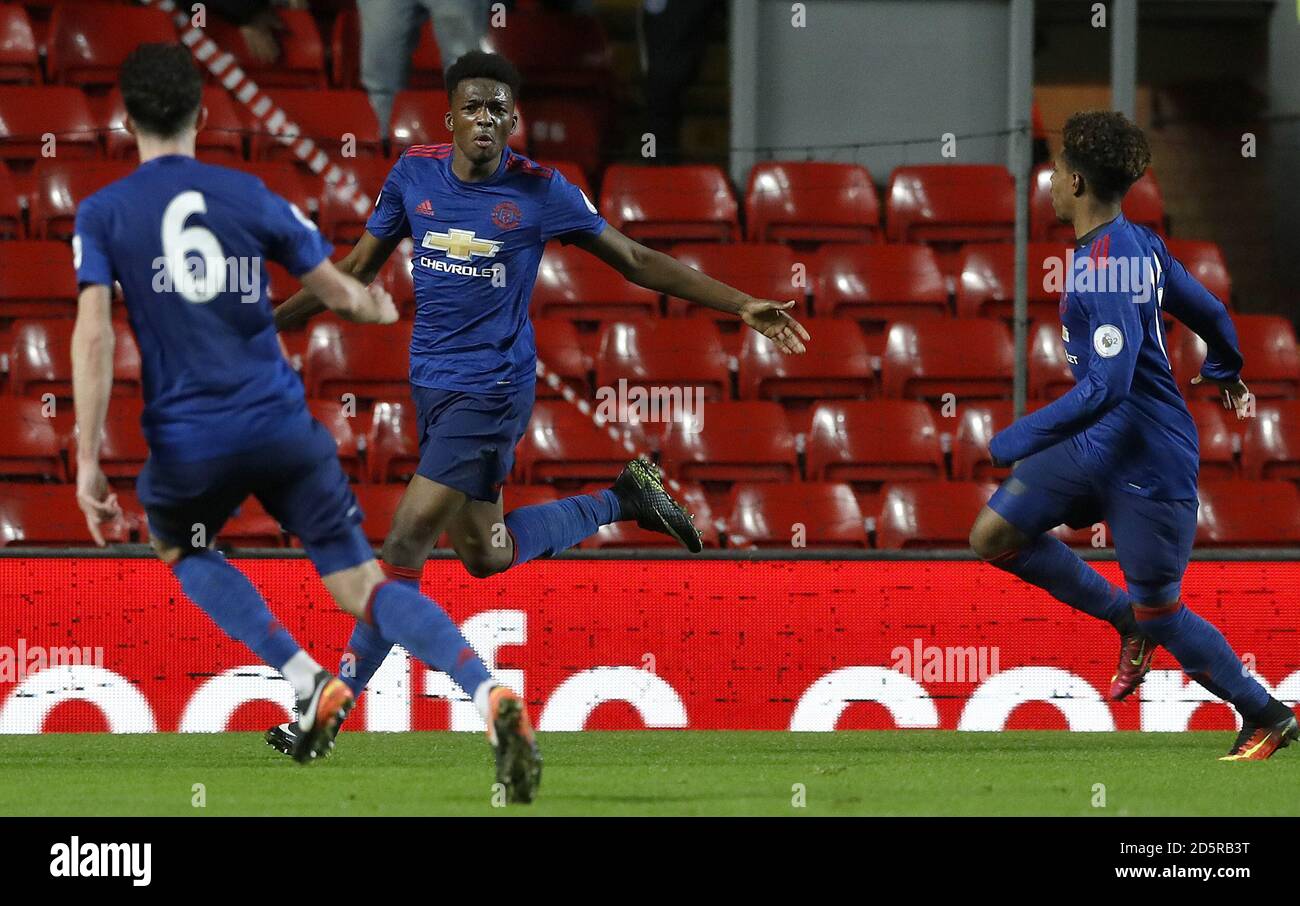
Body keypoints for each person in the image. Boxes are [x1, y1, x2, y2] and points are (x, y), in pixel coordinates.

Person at [264, 49, 810, 755]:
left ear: (513, 120)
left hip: (491, 390)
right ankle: (625, 497)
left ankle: (326, 718)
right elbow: (355, 273)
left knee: (403, 543)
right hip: (431, 384)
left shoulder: (540, 190)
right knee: (486, 554)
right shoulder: (413, 176)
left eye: (499, 109)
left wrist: (741, 303)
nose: (486, 119)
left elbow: (636, 260)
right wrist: (266, 325)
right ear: (450, 117)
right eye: (474, 107)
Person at [71, 43, 542, 801]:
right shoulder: (252, 195)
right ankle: (486, 692)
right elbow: (339, 287)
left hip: (192, 442)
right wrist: (377, 306)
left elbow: (92, 336)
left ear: (126, 120)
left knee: (177, 539)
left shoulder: (102, 213)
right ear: (202, 114)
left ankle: (303, 676)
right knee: (365, 582)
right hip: (286, 429)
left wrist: (88, 459)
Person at [968, 110, 1296, 761]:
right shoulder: (1137, 243)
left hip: (1149, 456)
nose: (1049, 182)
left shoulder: (1107, 264)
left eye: (1056, 171)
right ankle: (1122, 619)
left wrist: (1015, 439)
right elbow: (1209, 311)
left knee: (1163, 614)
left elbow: (1108, 387)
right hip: (1099, 444)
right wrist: (1227, 370)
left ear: (1080, 184)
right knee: (994, 535)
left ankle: (1267, 716)